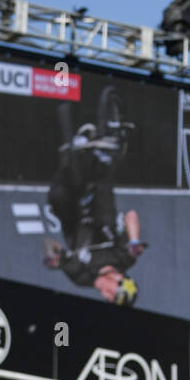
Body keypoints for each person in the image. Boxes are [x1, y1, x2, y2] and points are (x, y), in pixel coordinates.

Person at [44, 124, 145, 305]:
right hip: (100, 210)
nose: (105, 295)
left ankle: (71, 153)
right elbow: (131, 216)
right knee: (106, 220)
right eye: (113, 294)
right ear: (119, 278)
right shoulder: (125, 258)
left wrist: (54, 257)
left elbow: (50, 244)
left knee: (56, 196)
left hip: (73, 218)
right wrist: (135, 241)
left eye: (110, 299)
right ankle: (104, 158)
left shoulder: (81, 278)